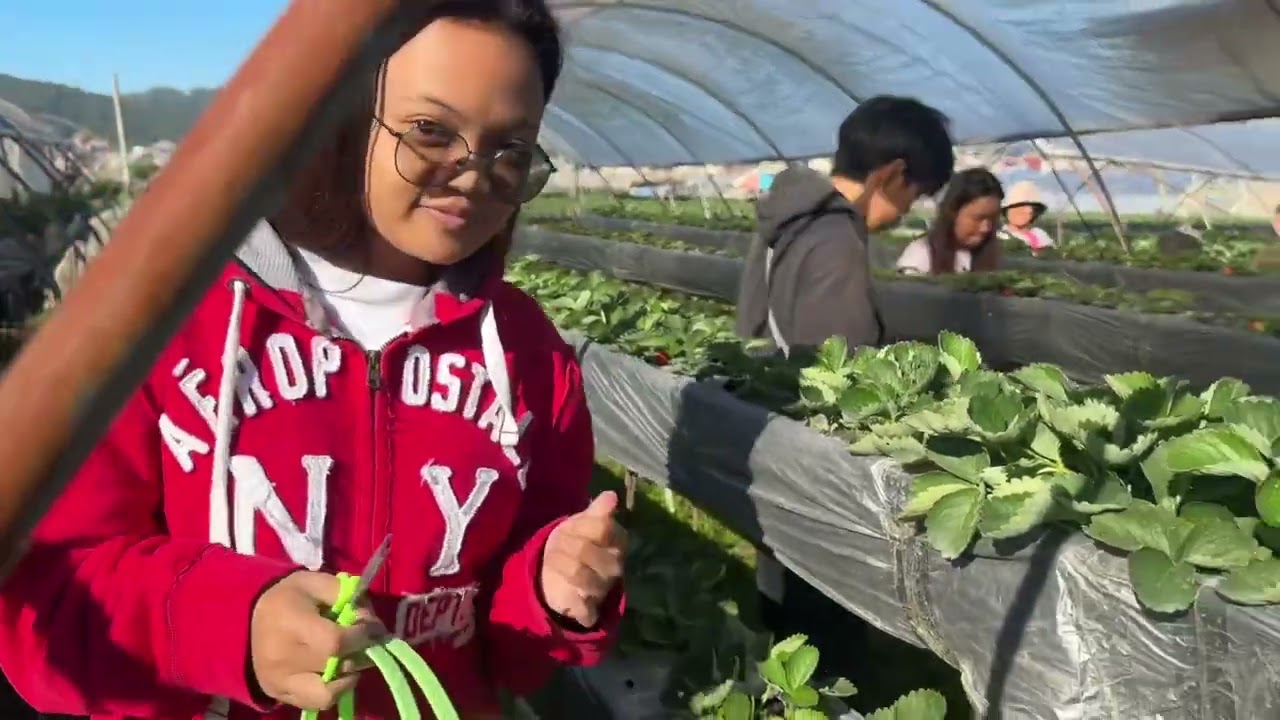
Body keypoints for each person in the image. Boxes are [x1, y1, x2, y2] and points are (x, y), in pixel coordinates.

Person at [0, 3, 625, 719]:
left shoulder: (529, 353)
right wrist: (229, 626)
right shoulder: (166, 324)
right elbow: (41, 600)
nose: (472, 174)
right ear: (343, 116)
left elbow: (514, 654)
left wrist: (548, 587)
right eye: (430, 132)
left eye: (510, 150)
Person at [736, 95, 954, 357]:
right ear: (893, 175)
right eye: (915, 194)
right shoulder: (837, 239)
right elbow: (841, 366)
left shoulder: (788, 215)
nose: (907, 210)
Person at [896, 168, 1004, 275]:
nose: (985, 228)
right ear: (953, 213)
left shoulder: (993, 258)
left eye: (993, 219)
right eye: (978, 218)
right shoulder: (920, 257)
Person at [998, 180, 1054, 253]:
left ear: (1034, 212)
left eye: (1026, 207)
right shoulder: (999, 235)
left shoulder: (1039, 235)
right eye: (1015, 207)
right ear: (1007, 211)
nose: (1020, 211)